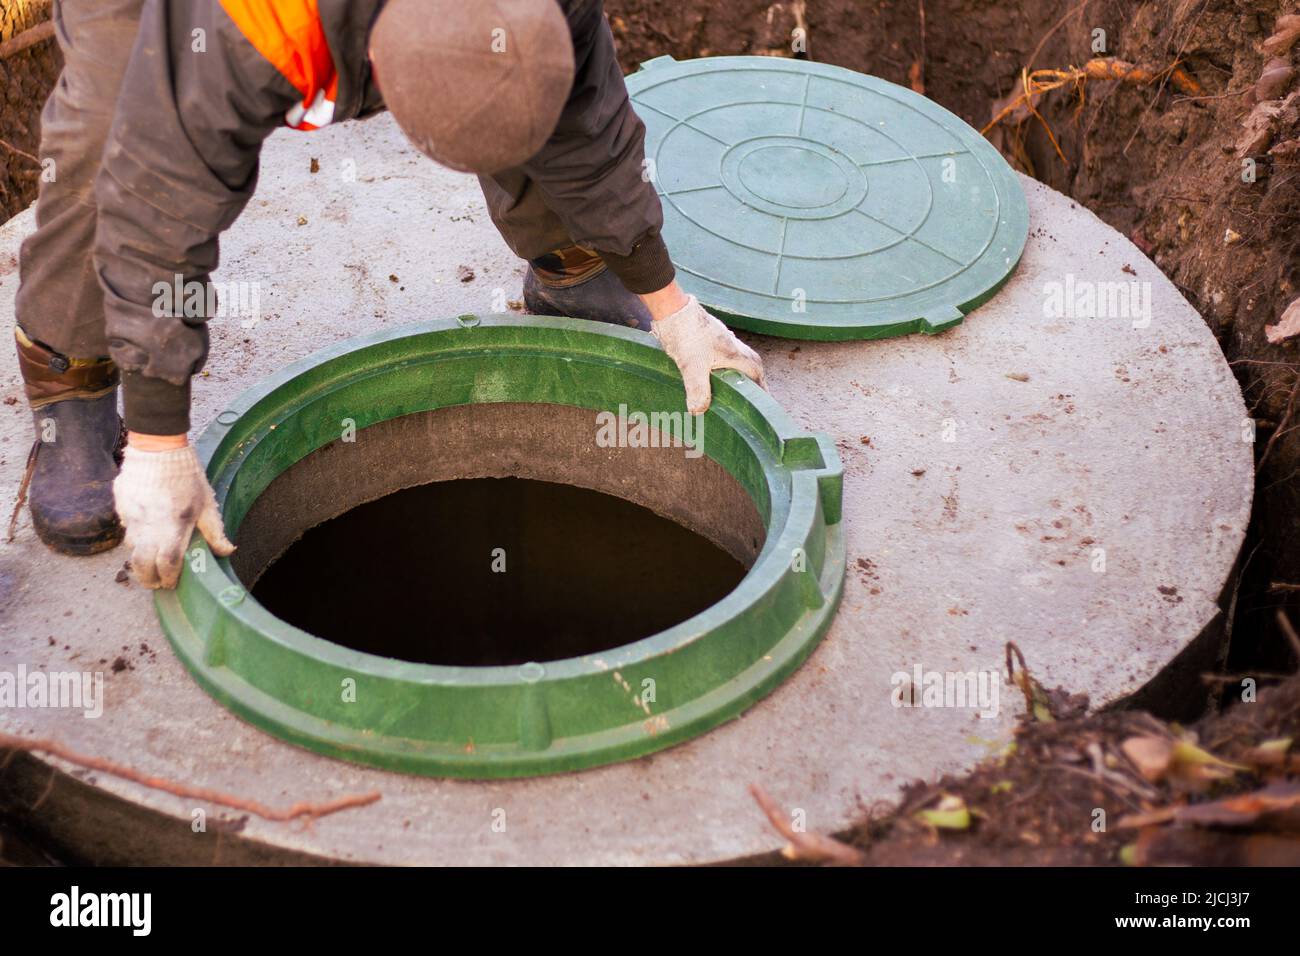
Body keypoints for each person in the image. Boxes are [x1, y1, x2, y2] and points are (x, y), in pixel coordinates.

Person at [12, 0, 766, 588]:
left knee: (523, 76)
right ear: (371, 67)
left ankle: (572, 260)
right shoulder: (253, 30)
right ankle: (69, 369)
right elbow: (159, 210)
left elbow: (589, 119)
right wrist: (159, 441)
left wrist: (668, 300)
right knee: (110, 140)